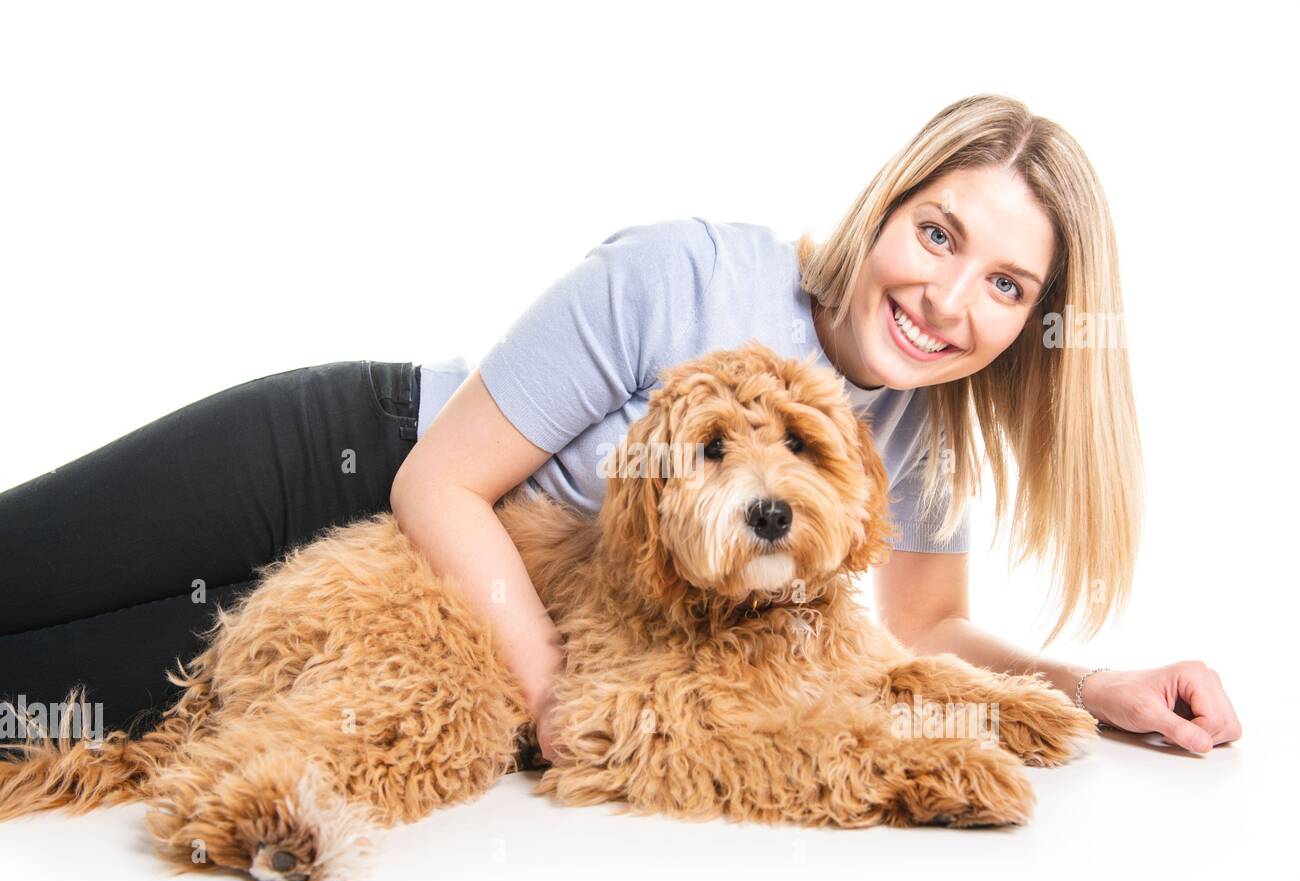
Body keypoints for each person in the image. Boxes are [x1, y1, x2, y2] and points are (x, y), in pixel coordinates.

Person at [0, 93, 1240, 766]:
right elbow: (439, 484)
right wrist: (560, 710)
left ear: (1036, 322)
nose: (948, 302)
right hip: (342, 464)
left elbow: (920, 626)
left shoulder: (926, 438)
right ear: (889, 204)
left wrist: (1090, 684)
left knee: (37, 706)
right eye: (939, 234)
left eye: (1008, 287)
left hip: (401, 636)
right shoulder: (687, 274)